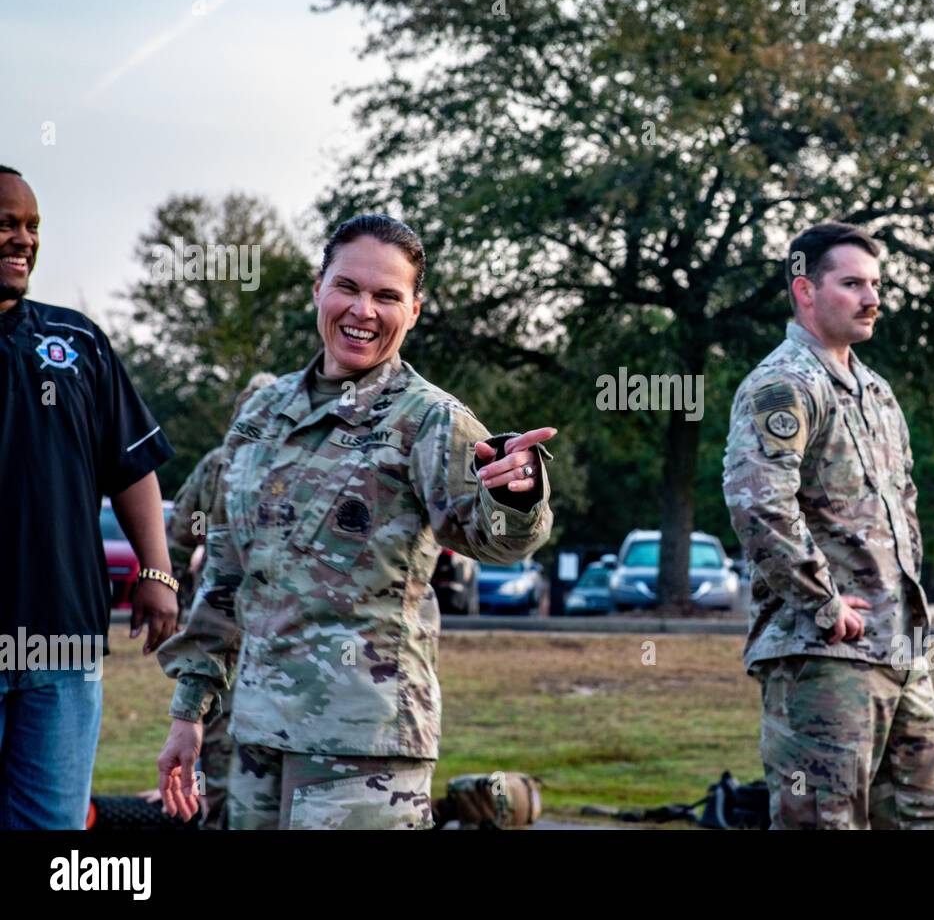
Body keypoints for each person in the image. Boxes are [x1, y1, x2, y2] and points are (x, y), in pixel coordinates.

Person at [155, 214, 555, 829]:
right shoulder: (261, 414)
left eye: (387, 296)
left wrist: (519, 495)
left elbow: (487, 536)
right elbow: (227, 581)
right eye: (348, 287)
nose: (363, 310)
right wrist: (190, 712)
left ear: (414, 310)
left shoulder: (430, 420)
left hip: (365, 744)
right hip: (256, 734)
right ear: (318, 288)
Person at [722, 221, 934, 830]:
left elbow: (902, 501)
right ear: (805, 290)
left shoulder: (877, 392)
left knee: (928, 820)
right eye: (852, 283)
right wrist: (825, 603)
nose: (871, 299)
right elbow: (760, 505)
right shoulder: (783, 386)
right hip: (824, 656)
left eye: (876, 284)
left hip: (899, 652)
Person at [0, 164, 178, 829]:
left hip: (62, 645)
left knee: (53, 828)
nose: (23, 240)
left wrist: (156, 571)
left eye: (32, 226)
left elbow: (130, 464)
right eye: (6, 223)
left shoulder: (75, 342)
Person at [164, 370, 276, 829]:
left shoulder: (229, 463)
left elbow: (177, 541)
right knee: (216, 748)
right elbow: (178, 540)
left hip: (262, 636)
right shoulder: (220, 467)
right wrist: (181, 599)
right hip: (230, 632)